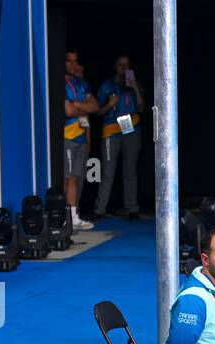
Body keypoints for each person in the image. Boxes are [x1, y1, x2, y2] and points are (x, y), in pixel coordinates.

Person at [92, 55, 145, 222]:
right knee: (108, 172)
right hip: (111, 129)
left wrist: (135, 88)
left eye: (127, 65)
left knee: (130, 170)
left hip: (130, 128)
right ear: (115, 67)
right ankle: (99, 210)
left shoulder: (133, 85)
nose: (124, 68)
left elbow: (142, 108)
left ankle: (132, 208)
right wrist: (110, 104)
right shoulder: (107, 86)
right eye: (121, 65)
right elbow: (98, 112)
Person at [61, 49, 97, 230]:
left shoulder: (81, 84)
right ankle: (64, 216)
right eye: (69, 61)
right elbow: (67, 111)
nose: (73, 65)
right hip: (67, 136)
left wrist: (78, 106)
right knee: (67, 179)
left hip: (82, 137)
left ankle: (74, 216)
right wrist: (83, 108)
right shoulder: (62, 83)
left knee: (75, 178)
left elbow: (95, 106)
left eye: (75, 61)